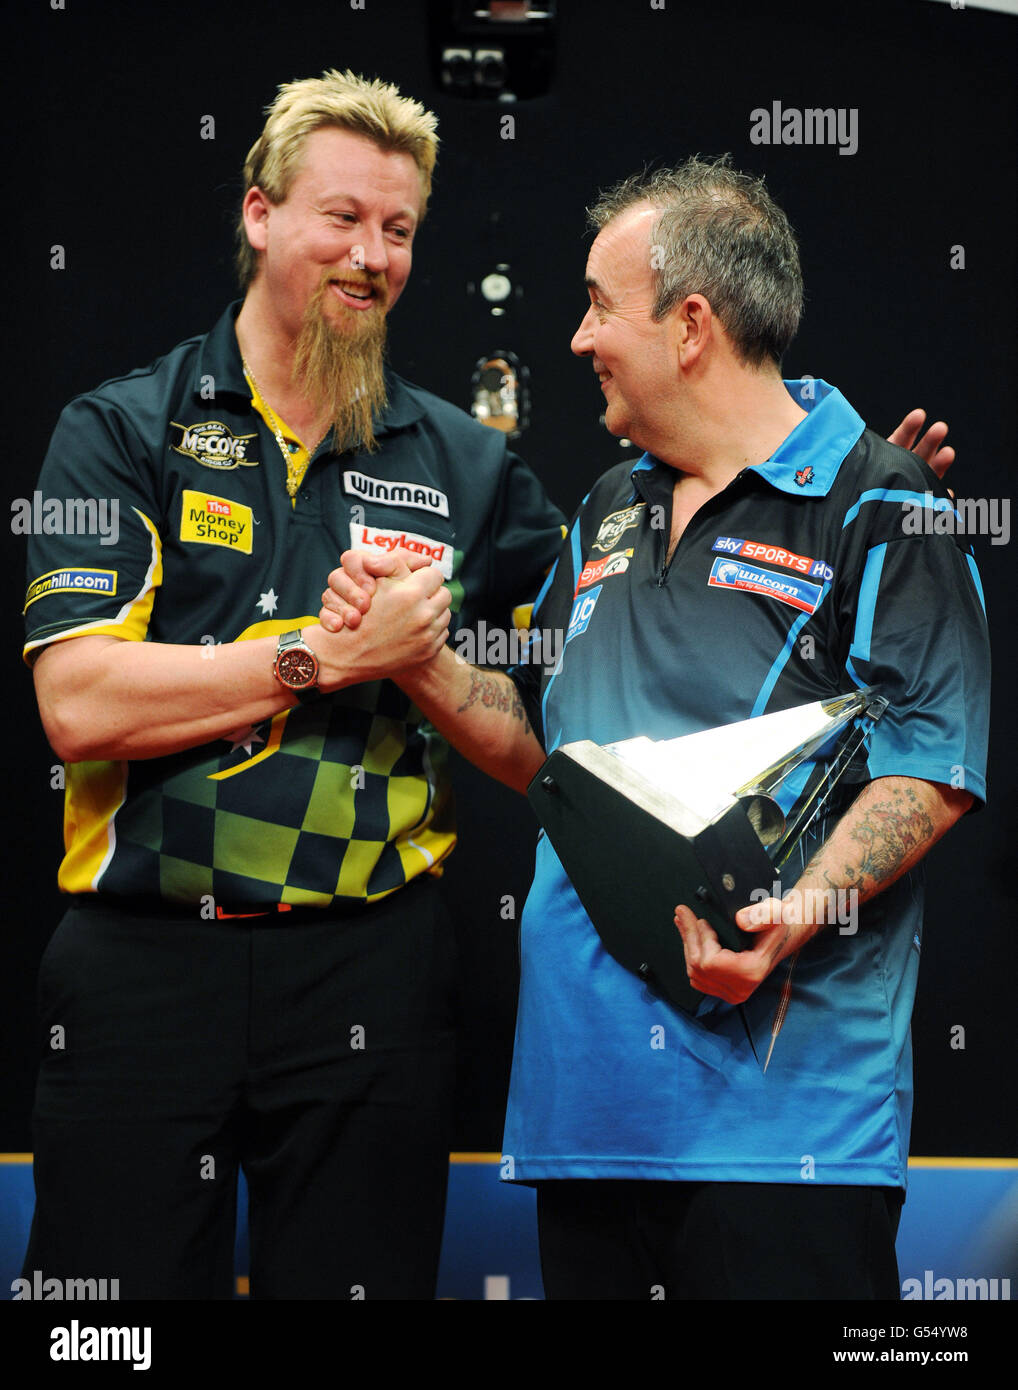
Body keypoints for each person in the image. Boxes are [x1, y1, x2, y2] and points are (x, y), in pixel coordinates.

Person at [323, 157, 990, 1300]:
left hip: (784, 1140)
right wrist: (414, 656)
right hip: (584, 1118)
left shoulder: (885, 504)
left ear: (690, 326)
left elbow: (926, 771)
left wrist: (787, 921)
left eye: (596, 304)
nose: (577, 339)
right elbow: (548, 753)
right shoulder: (604, 508)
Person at [21, 69, 566, 1300]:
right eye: (341, 217)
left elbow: (551, 742)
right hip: (144, 964)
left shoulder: (471, 465)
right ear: (260, 214)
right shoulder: (122, 429)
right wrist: (321, 658)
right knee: (102, 1334)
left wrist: (425, 663)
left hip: (372, 969)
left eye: (399, 229)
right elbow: (79, 703)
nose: (371, 255)